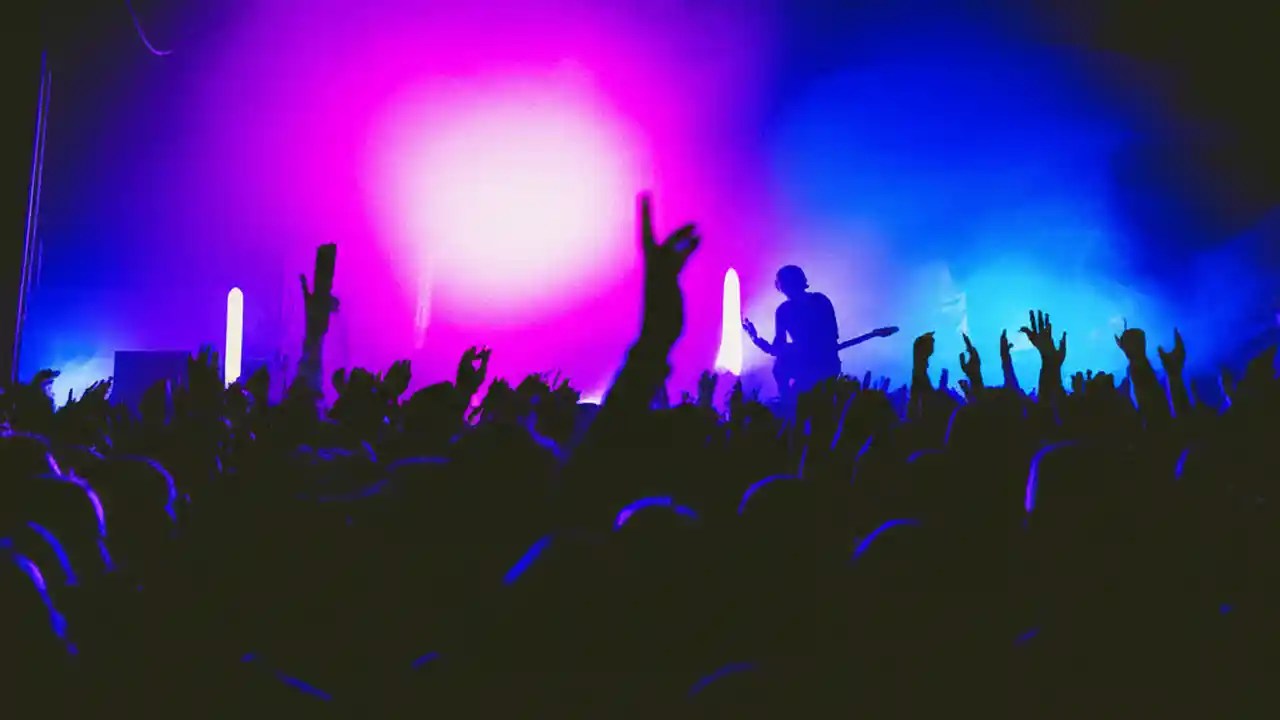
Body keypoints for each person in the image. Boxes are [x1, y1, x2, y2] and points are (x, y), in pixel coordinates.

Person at [743, 265, 897, 402]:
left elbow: (829, 336)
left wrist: (808, 350)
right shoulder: (788, 309)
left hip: (823, 365)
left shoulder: (814, 302)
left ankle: (789, 405)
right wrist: (756, 338)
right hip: (812, 363)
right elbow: (778, 349)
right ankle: (787, 403)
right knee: (780, 366)